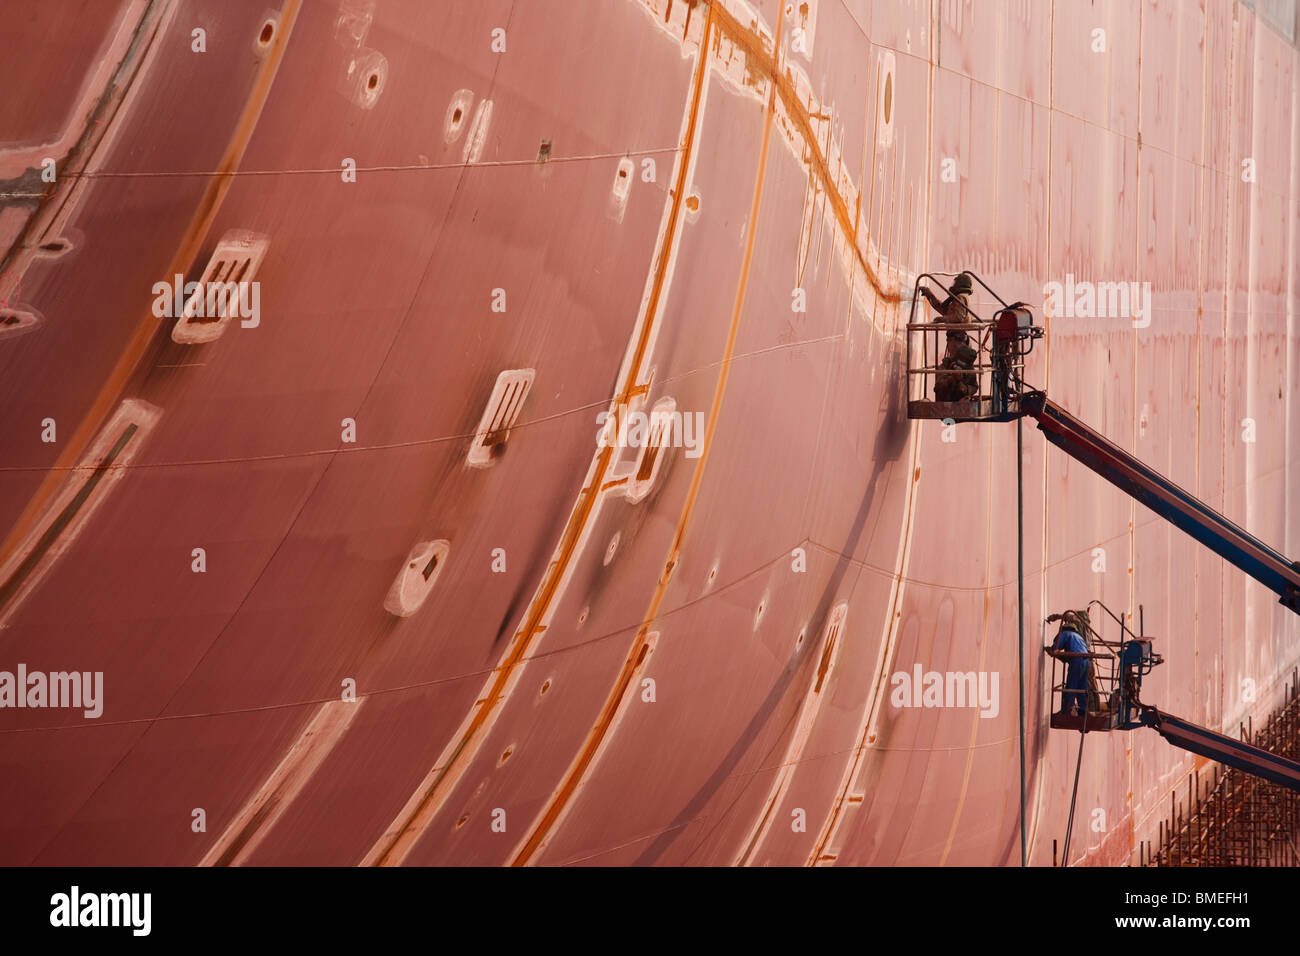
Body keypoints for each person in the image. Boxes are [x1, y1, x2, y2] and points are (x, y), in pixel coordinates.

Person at [920, 273, 979, 402]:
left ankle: (958, 394)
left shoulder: (960, 298)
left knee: (957, 368)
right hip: (956, 340)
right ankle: (956, 393)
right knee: (954, 368)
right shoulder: (959, 298)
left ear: (960, 284)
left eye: (955, 283)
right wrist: (930, 295)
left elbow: (960, 318)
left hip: (958, 342)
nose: (952, 285)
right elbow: (943, 309)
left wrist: (942, 319)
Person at [1048, 610, 1096, 717]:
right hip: (1086, 661)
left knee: (1071, 685)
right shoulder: (1079, 636)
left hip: (1077, 661)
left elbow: (1055, 648)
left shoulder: (1065, 634)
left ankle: (1067, 710)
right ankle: (1084, 710)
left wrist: (1050, 650)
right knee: (1082, 687)